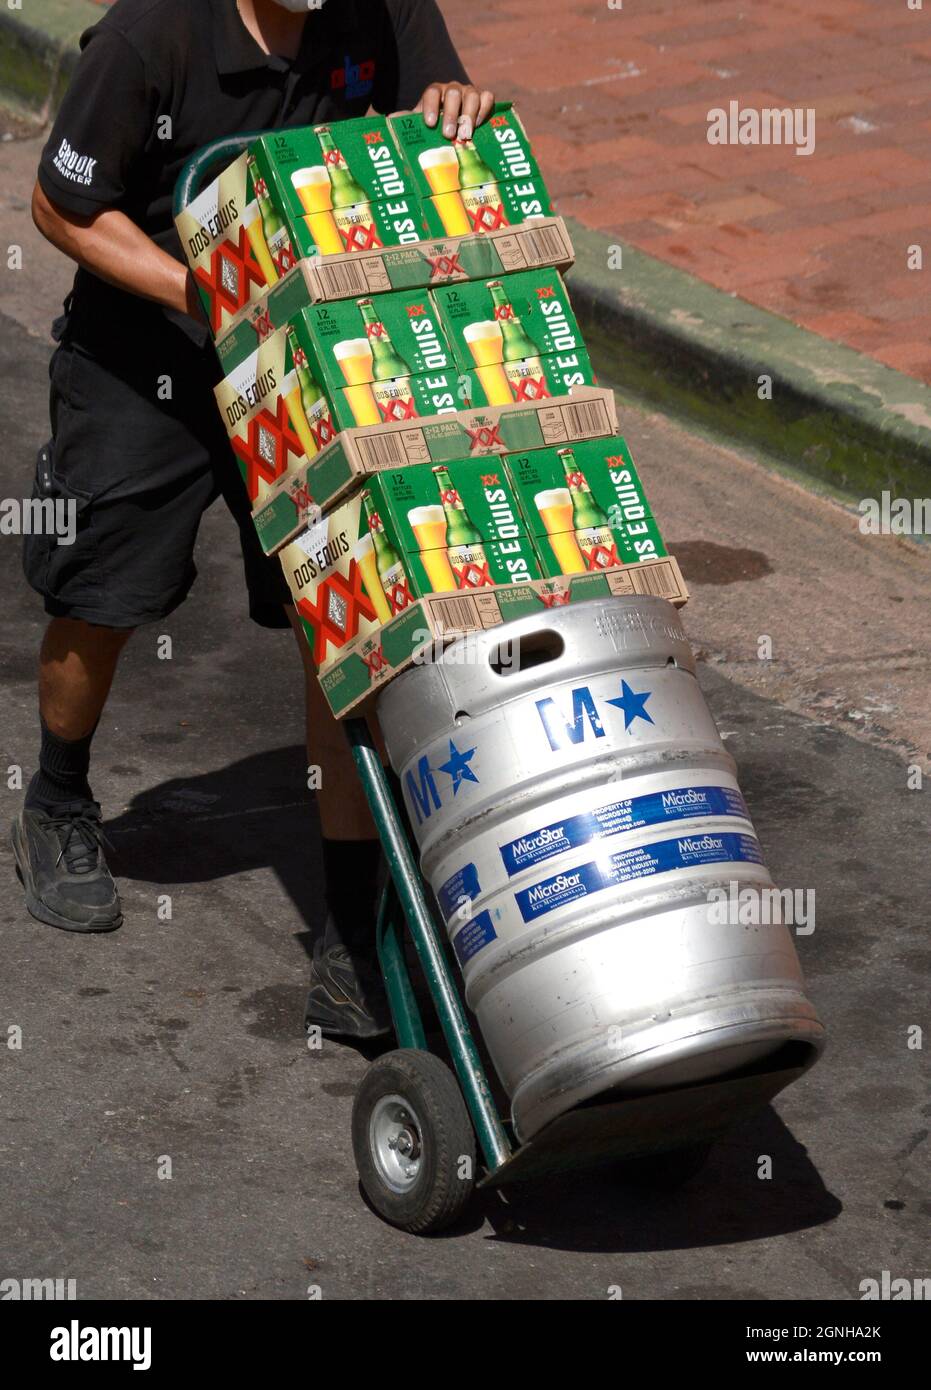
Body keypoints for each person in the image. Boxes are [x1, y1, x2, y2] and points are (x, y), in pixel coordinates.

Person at [11, 0, 494, 1039]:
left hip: (304, 355)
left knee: (340, 621)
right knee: (107, 593)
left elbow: (432, 121)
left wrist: (452, 111)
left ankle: (351, 926)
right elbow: (58, 206)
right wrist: (207, 294)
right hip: (146, 356)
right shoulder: (149, 40)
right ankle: (57, 800)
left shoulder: (385, 9)